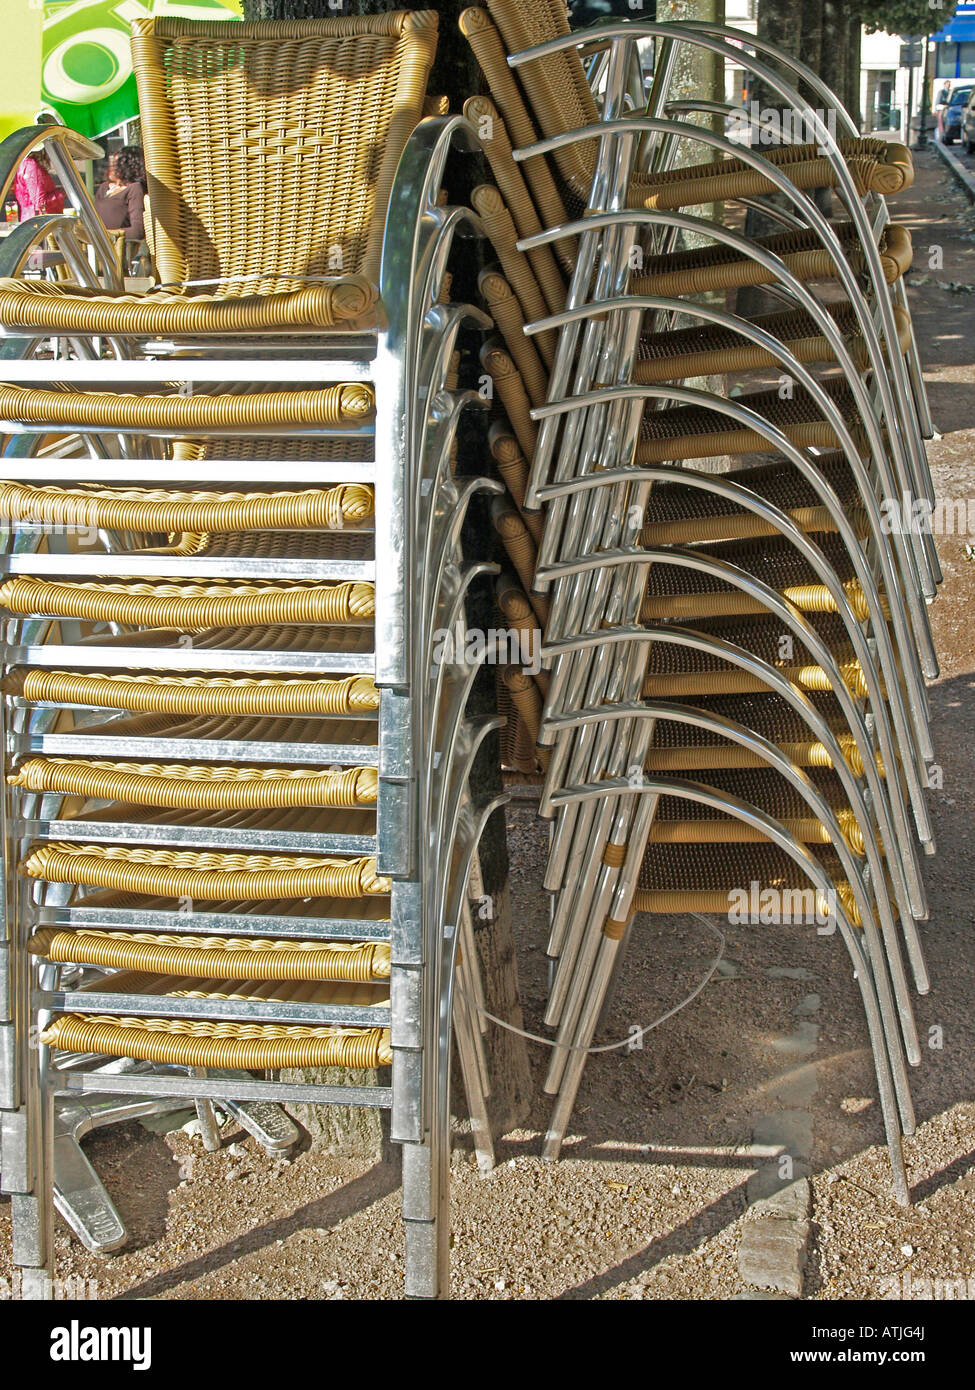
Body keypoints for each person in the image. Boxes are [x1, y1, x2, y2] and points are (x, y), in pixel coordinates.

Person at [94, 146, 146, 242]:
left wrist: (106, 235)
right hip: (92, 246)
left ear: (127, 166)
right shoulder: (104, 188)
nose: (111, 168)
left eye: (115, 164)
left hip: (115, 248)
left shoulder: (134, 189)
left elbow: (137, 231)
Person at [13, 150, 65, 219]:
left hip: (29, 218)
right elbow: (40, 203)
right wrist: (61, 194)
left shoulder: (23, 164)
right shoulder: (31, 166)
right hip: (41, 220)